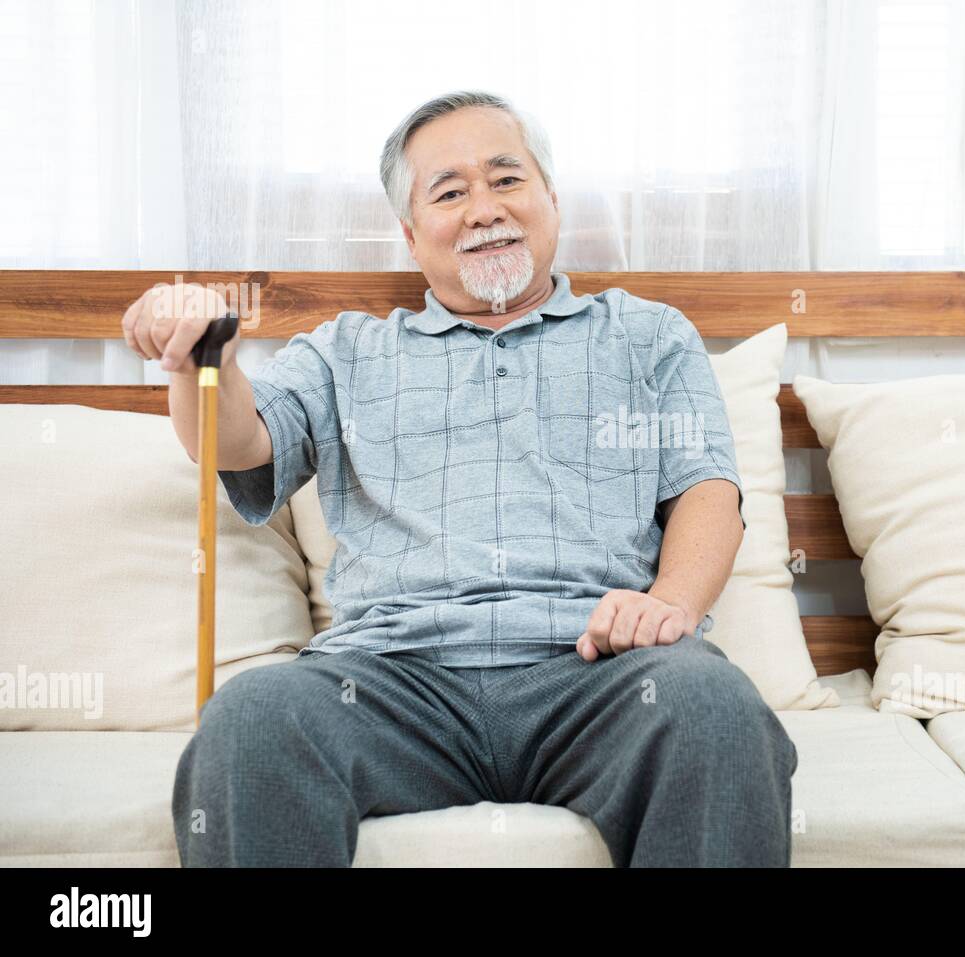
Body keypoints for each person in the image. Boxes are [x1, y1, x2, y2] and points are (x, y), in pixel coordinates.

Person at [121, 90, 797, 867]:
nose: (484, 208)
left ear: (551, 200)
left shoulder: (648, 336)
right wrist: (200, 353)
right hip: (388, 681)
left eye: (507, 180)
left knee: (712, 707)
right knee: (250, 719)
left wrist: (669, 605)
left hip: (599, 673)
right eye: (449, 192)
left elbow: (709, 491)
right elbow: (234, 441)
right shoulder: (346, 351)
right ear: (411, 236)